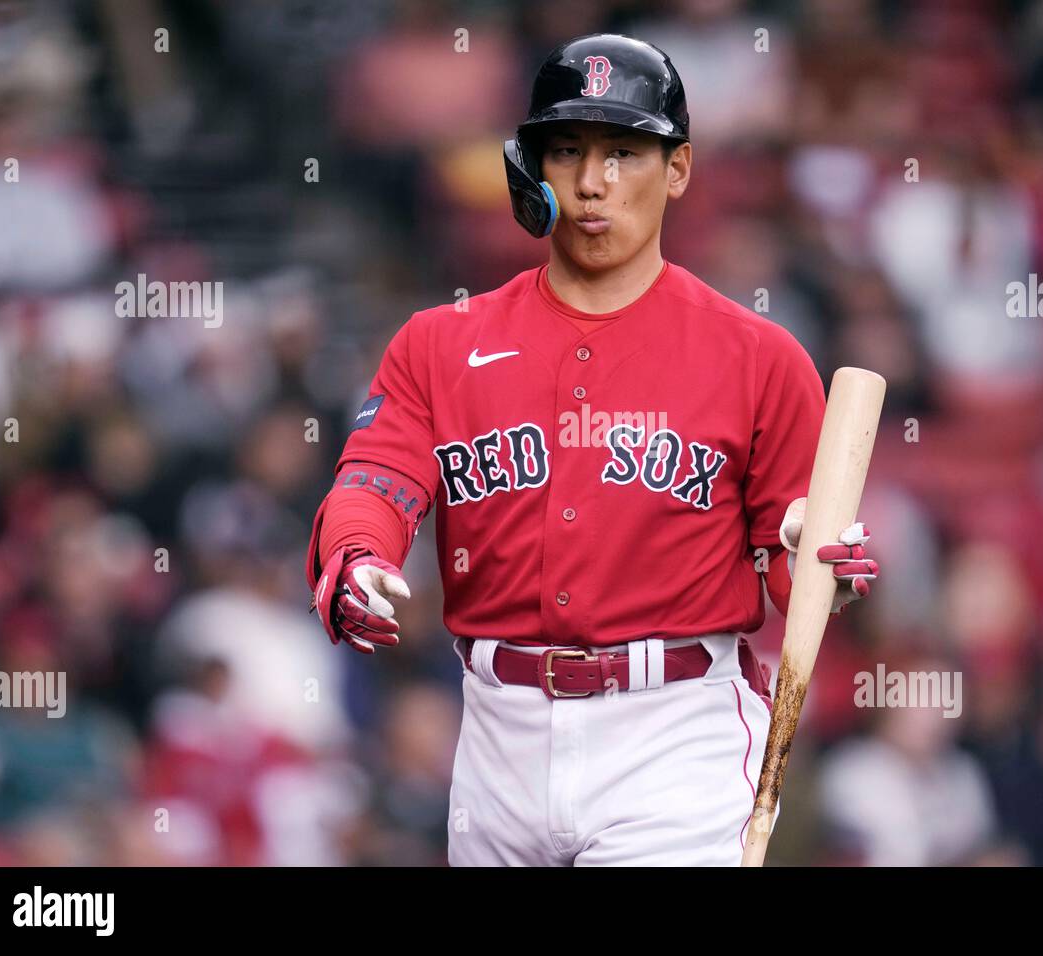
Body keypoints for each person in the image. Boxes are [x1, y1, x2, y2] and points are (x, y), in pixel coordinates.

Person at [304, 33, 879, 866]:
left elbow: (796, 568)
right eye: (566, 149)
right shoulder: (439, 344)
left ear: (677, 169)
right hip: (497, 733)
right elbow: (375, 479)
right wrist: (356, 554)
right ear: (527, 166)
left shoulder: (759, 358)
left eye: (624, 152)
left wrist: (819, 558)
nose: (592, 181)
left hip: (672, 734)